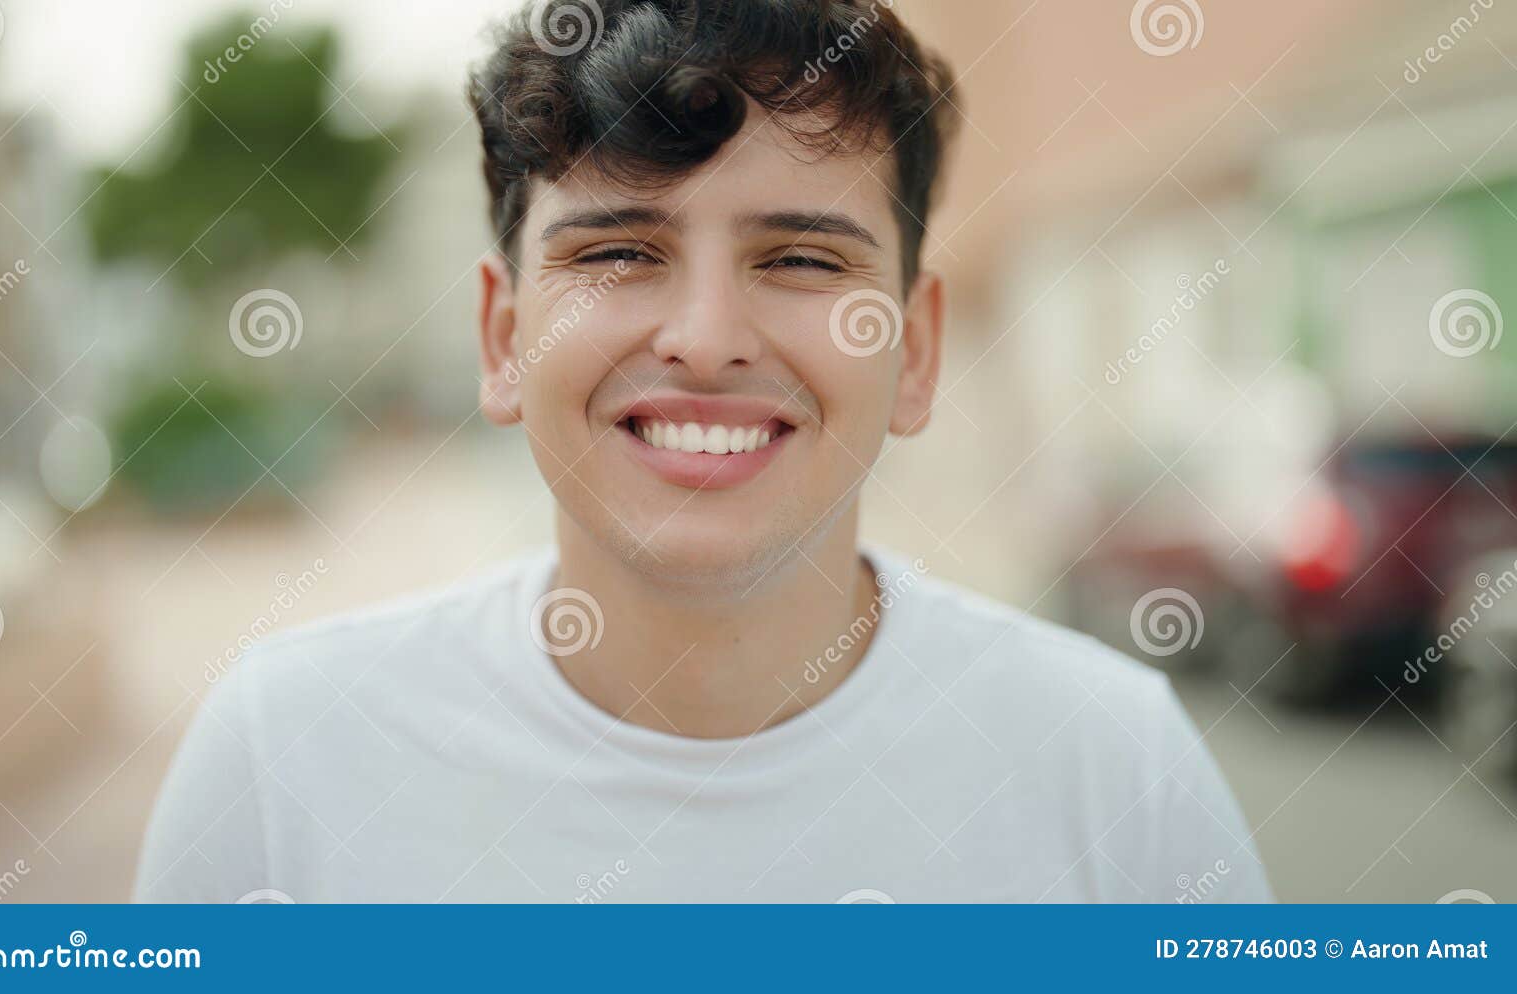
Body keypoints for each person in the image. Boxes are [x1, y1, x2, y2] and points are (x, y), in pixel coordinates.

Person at [135, 0, 1272, 903]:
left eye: (802, 261)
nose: (709, 340)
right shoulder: (286, 758)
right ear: (502, 337)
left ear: (914, 350)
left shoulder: (1116, 768)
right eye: (621, 252)